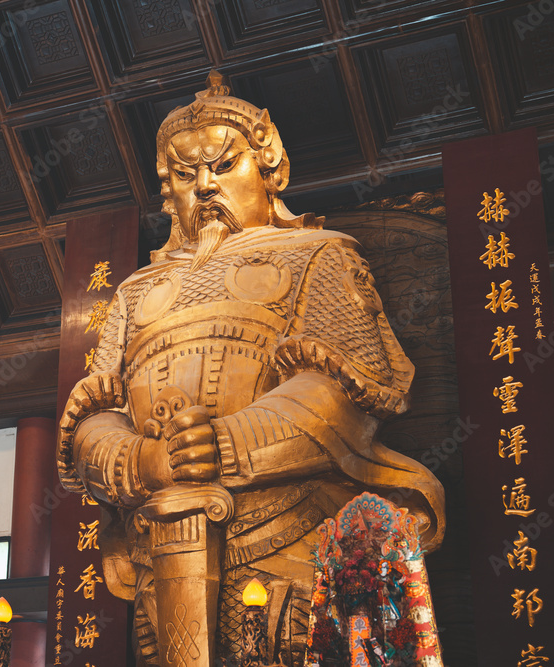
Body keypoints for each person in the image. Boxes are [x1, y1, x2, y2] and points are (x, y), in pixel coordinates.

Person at [57, 71, 444, 666]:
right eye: (185, 175)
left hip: (285, 542)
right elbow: (94, 412)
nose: (204, 186)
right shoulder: (136, 292)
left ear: (271, 169)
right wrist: (142, 459)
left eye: (223, 165)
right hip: (163, 554)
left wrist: (226, 443)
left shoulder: (318, 255)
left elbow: (346, 390)